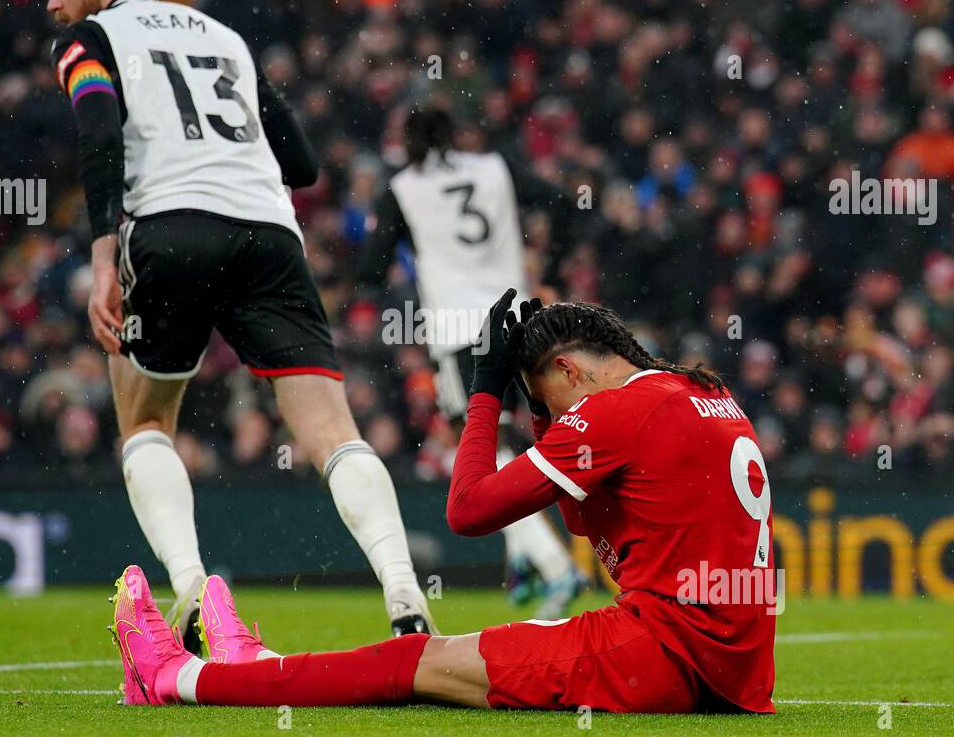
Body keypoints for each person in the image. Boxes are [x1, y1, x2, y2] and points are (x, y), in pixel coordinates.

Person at [108, 292, 777, 714]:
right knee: (429, 663)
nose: (550, 416)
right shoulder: (701, 391)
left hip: (662, 656)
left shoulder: (618, 413)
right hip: (733, 667)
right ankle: (249, 666)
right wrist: (545, 420)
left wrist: (485, 393)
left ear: (571, 369)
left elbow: (469, 509)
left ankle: (178, 676)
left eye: (545, 399)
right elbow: (585, 517)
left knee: (415, 662)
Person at [47, 0, 436, 644]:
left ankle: (194, 592)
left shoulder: (91, 39)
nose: (51, 0)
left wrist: (105, 256)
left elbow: (98, 137)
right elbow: (304, 165)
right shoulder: (224, 38)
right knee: (331, 429)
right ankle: (405, 591)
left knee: (147, 422)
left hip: (168, 229)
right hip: (268, 235)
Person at [362, 106, 584, 618]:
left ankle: (554, 566)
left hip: (461, 331)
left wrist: (406, 258)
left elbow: (369, 268)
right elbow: (563, 203)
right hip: (520, 317)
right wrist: (547, 265)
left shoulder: (404, 189)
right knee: (511, 438)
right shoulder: (494, 168)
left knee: (480, 444)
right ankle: (524, 564)